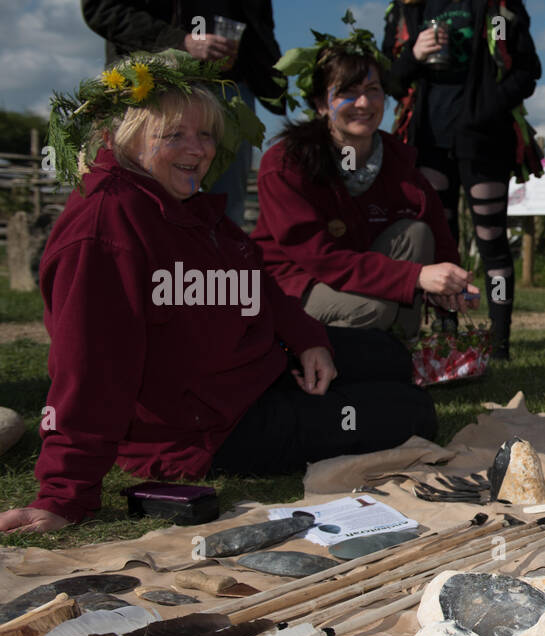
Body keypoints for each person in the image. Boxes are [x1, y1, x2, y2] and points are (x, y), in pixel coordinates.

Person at [0, 55, 437, 534]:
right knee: (413, 411)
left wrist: (307, 338)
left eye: (205, 134)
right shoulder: (107, 228)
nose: (198, 150)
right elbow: (88, 366)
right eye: (174, 136)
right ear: (126, 138)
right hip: (205, 427)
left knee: (391, 357)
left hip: (252, 367)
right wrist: (64, 494)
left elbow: (257, 279)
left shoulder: (182, 201)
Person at [252, 20, 476, 341]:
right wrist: (416, 276)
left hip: (357, 277)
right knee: (374, 308)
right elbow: (321, 259)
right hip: (295, 285)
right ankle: (303, 361)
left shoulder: (398, 160)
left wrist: (453, 285)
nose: (363, 103)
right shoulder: (287, 163)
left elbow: (437, 233)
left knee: (416, 233)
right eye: (348, 92)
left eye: (373, 91)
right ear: (320, 104)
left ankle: (395, 356)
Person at [382, 0, 543, 361]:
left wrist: (486, 109)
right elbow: (388, 79)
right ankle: (446, 336)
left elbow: (526, 70)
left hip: (485, 142)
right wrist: (414, 53)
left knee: (493, 242)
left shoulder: (498, 6)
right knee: (442, 244)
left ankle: (499, 344)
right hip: (428, 143)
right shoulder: (409, 8)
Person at [81, 0, 287, 227]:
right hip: (150, 82)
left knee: (224, 210)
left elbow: (259, 23)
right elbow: (101, 9)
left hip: (228, 87)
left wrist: (268, 73)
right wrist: (180, 42)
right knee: (139, 203)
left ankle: (214, 260)